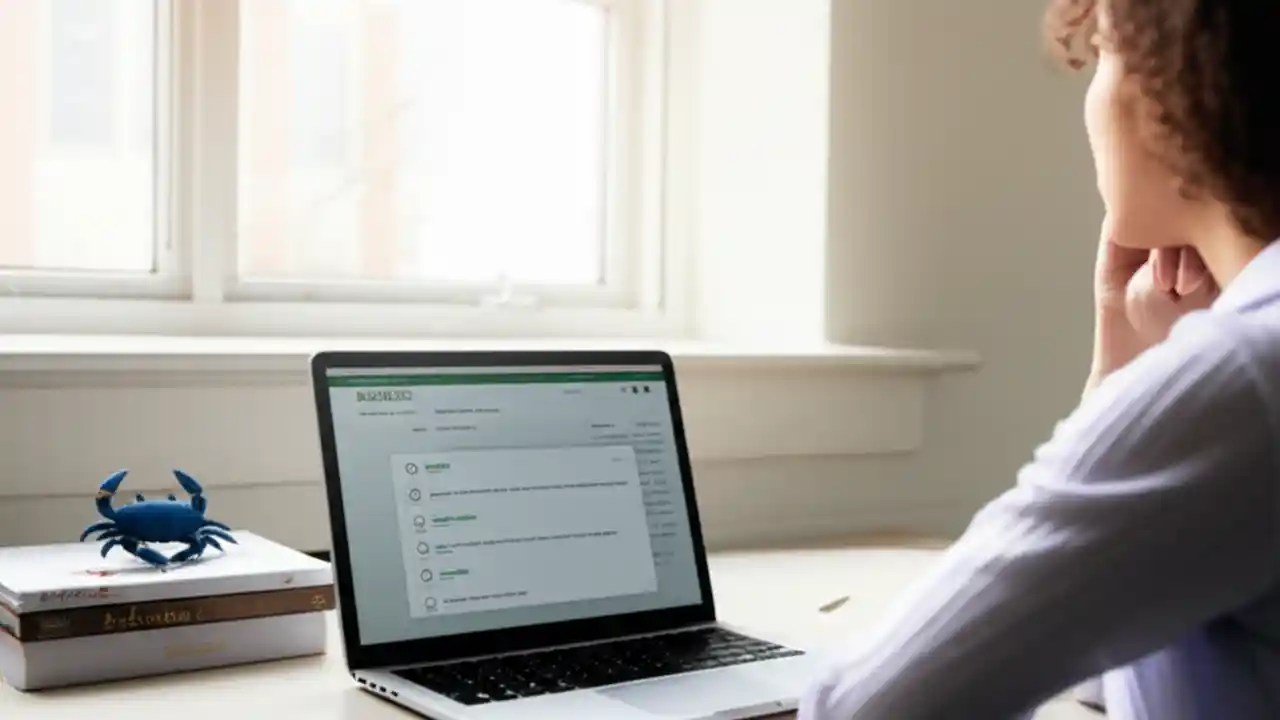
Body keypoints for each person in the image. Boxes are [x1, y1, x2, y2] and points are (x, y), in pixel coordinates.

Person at [799, 1, 1280, 718]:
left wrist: (1160, 383)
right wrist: (1123, 362)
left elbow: (864, 708)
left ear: (1180, 95)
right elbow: (1097, 673)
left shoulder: (1246, 381)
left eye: (1109, 49)